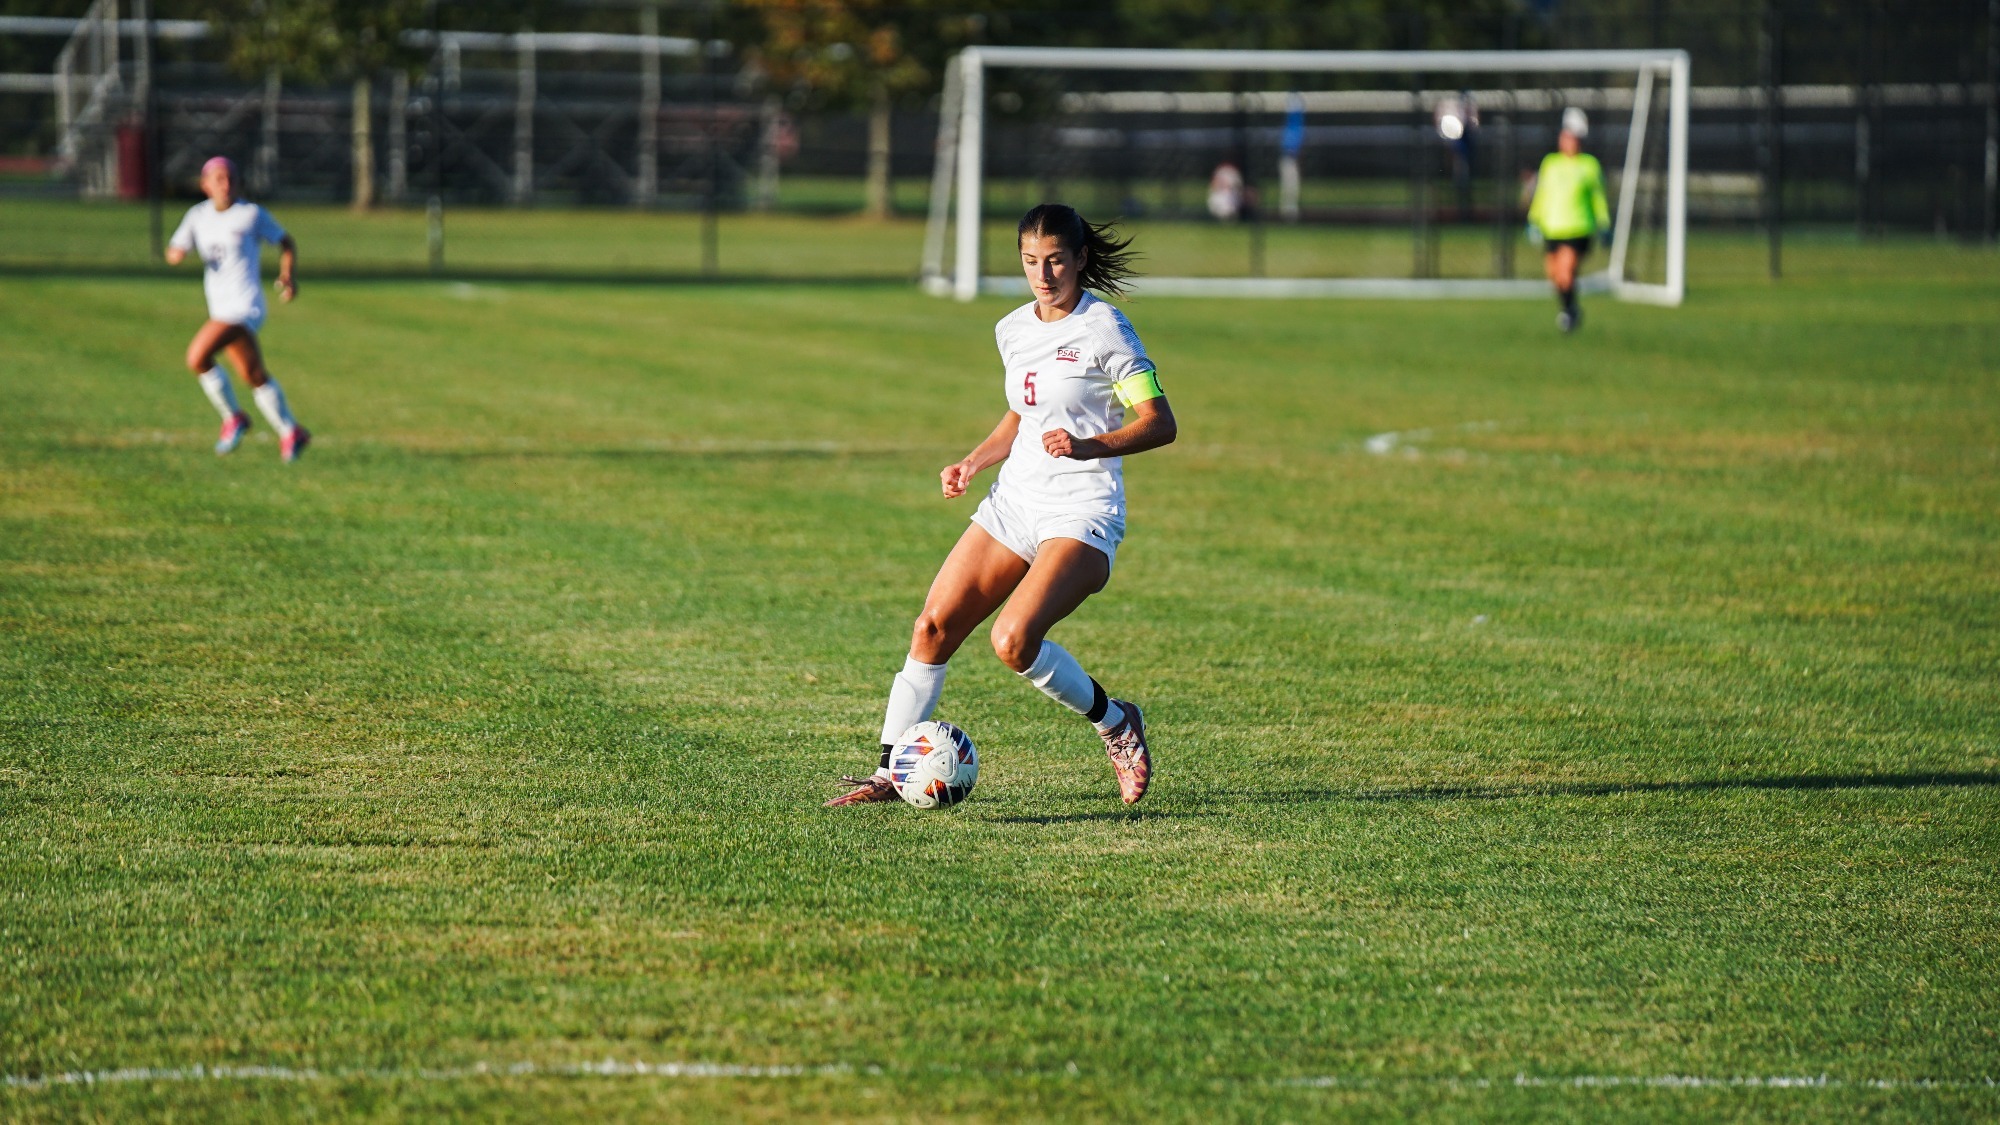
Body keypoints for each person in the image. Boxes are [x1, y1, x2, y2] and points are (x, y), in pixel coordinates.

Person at [826, 203, 1178, 808]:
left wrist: (1088, 445)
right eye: (1031, 261)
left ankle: (1117, 722)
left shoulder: (1104, 329)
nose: (1044, 275)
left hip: (1081, 511)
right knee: (932, 627)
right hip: (1014, 503)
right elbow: (1022, 414)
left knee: (1013, 640)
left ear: (1080, 259)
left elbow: (1159, 423)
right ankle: (889, 773)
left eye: (1056, 261)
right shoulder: (1012, 329)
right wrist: (973, 461)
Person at [165, 156, 311, 460]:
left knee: (197, 357)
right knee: (253, 374)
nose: (226, 184)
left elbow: (285, 242)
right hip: (219, 308)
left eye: (230, 178)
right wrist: (176, 254)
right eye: (219, 179)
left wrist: (287, 275)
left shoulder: (250, 214)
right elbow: (175, 247)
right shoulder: (197, 216)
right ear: (205, 185)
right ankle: (290, 431)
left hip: (246, 306)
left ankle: (233, 417)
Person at [1526, 107, 1610, 334]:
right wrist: (1534, 220)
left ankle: (1569, 313)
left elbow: (1598, 197)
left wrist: (1603, 223)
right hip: (1552, 228)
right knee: (1555, 276)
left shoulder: (1589, 165)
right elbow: (1542, 195)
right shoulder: (1550, 163)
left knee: (1565, 272)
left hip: (1578, 228)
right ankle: (1570, 308)